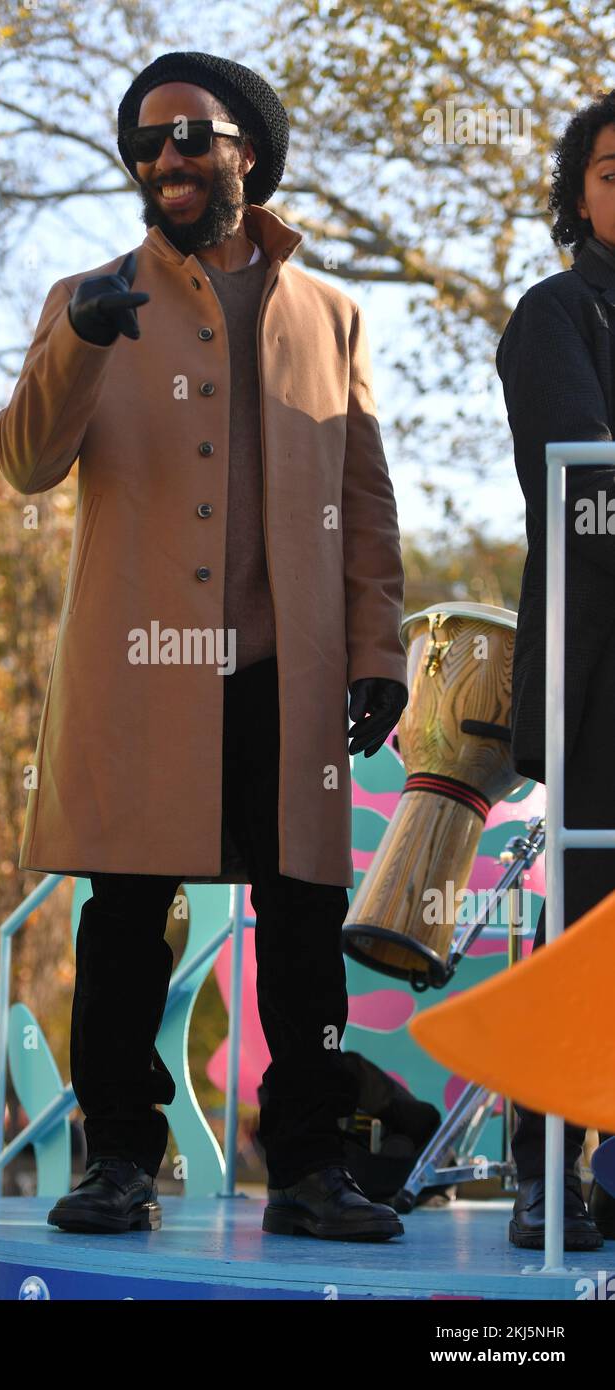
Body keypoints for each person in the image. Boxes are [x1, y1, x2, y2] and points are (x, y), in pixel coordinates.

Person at [0, 51, 408, 1240]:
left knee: (301, 924)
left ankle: (314, 1164)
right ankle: (117, 1156)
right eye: (144, 140)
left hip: (291, 664)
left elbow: (365, 499)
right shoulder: (90, 293)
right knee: (125, 918)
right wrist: (77, 339)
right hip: (139, 665)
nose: (165, 156)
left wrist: (375, 644)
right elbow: (23, 461)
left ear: (246, 150)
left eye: (190, 133)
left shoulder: (329, 312)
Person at [496, 89, 615, 1250]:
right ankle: (541, 1168)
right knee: (590, 930)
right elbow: (585, 492)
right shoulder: (556, 311)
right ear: (575, 193)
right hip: (599, 683)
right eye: (611, 170)